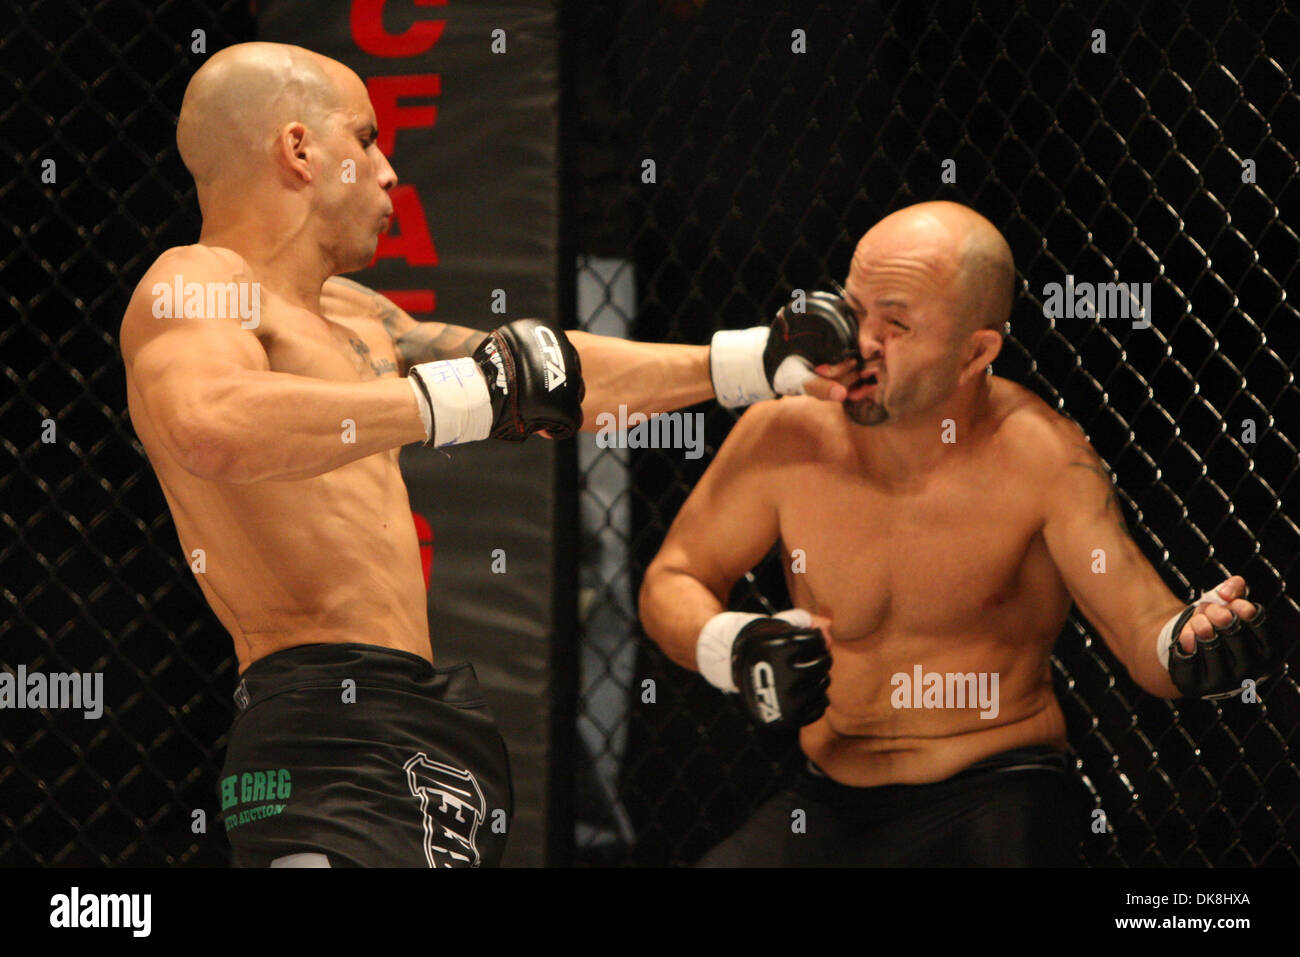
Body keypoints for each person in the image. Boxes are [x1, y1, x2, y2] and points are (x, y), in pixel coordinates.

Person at [119, 41, 857, 867]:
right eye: (366, 139)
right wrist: (454, 401)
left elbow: (549, 374)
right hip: (321, 725)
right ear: (298, 149)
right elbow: (212, 425)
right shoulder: (193, 282)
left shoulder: (361, 317)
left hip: (426, 718)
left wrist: (748, 361)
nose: (389, 170)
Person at [638, 200, 1277, 867]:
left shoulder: (1040, 456)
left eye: (898, 323)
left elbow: (1143, 627)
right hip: (828, 801)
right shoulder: (788, 432)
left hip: (996, 792)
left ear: (976, 352)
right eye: (854, 310)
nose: (860, 342)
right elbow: (673, 578)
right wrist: (730, 644)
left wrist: (1193, 645)